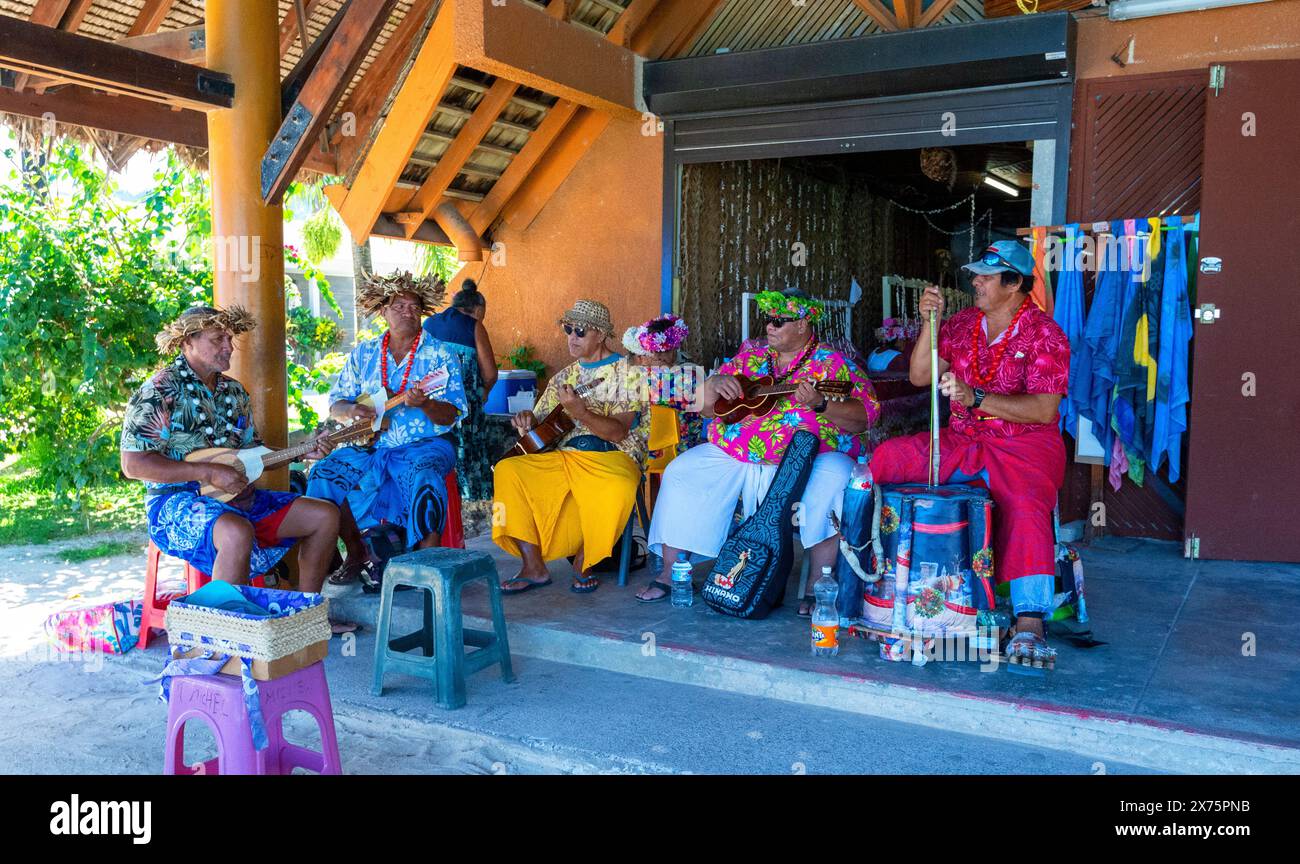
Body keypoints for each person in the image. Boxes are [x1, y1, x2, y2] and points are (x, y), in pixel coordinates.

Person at [869, 241, 1069, 667]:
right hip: (963, 441)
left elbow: (1044, 408)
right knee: (887, 459)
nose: (975, 281)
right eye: (975, 274)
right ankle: (873, 580)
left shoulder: (1045, 334)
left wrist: (976, 398)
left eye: (986, 276)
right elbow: (921, 375)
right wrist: (929, 321)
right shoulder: (960, 325)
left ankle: (1029, 623)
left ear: (1014, 283)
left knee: (1027, 504)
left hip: (1024, 446)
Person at [643, 290, 879, 612]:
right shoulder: (749, 358)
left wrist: (821, 404)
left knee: (836, 478)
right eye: (768, 319)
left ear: (803, 324)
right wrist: (712, 386)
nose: (770, 326)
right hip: (735, 453)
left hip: (807, 458)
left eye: (780, 321)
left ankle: (818, 585)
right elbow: (703, 407)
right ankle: (673, 574)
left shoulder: (833, 365)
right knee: (682, 471)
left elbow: (865, 417)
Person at [119, 305, 340, 596]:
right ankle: (223, 634)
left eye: (229, 339)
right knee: (236, 532)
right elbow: (133, 464)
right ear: (188, 342)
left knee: (324, 516)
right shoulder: (159, 391)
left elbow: (251, 454)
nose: (228, 347)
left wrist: (299, 453)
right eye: (217, 340)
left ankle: (307, 611)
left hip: (238, 498)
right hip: (174, 503)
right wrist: (208, 471)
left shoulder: (234, 392)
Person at [308, 272, 468, 584]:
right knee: (323, 474)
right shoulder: (365, 353)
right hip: (372, 446)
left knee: (425, 475)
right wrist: (352, 410)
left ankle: (426, 568)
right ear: (383, 311)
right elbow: (336, 403)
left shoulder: (439, 353)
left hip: (427, 444)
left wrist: (425, 404)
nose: (408, 311)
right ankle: (354, 553)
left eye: (414, 307)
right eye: (399, 306)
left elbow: (451, 415)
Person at [494, 299, 648, 594]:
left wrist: (582, 413)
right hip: (565, 456)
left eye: (580, 331)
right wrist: (527, 421)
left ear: (601, 335)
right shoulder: (563, 377)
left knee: (616, 484)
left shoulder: (630, 374)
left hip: (612, 456)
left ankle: (584, 561)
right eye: (568, 329)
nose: (571, 337)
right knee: (508, 470)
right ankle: (533, 566)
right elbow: (540, 425)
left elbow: (617, 433)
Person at [423, 278, 497, 502]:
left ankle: (439, 501)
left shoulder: (428, 324)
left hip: (429, 405)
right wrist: (484, 392)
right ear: (475, 310)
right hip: (463, 406)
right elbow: (490, 373)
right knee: (466, 453)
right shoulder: (473, 325)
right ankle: (470, 500)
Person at [620, 313, 704, 455]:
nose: (658, 355)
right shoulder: (692, 378)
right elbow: (699, 421)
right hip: (682, 454)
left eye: (662, 350)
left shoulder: (632, 379)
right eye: (654, 350)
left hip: (642, 456)